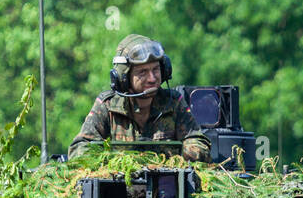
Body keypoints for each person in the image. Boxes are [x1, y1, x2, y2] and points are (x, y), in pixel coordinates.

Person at [68, 35, 211, 163]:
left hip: (166, 187)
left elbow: (199, 144)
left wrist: (166, 160)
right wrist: (114, 163)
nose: (152, 78)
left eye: (155, 69)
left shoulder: (173, 102)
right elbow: (79, 149)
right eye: (142, 72)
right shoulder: (108, 105)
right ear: (123, 78)